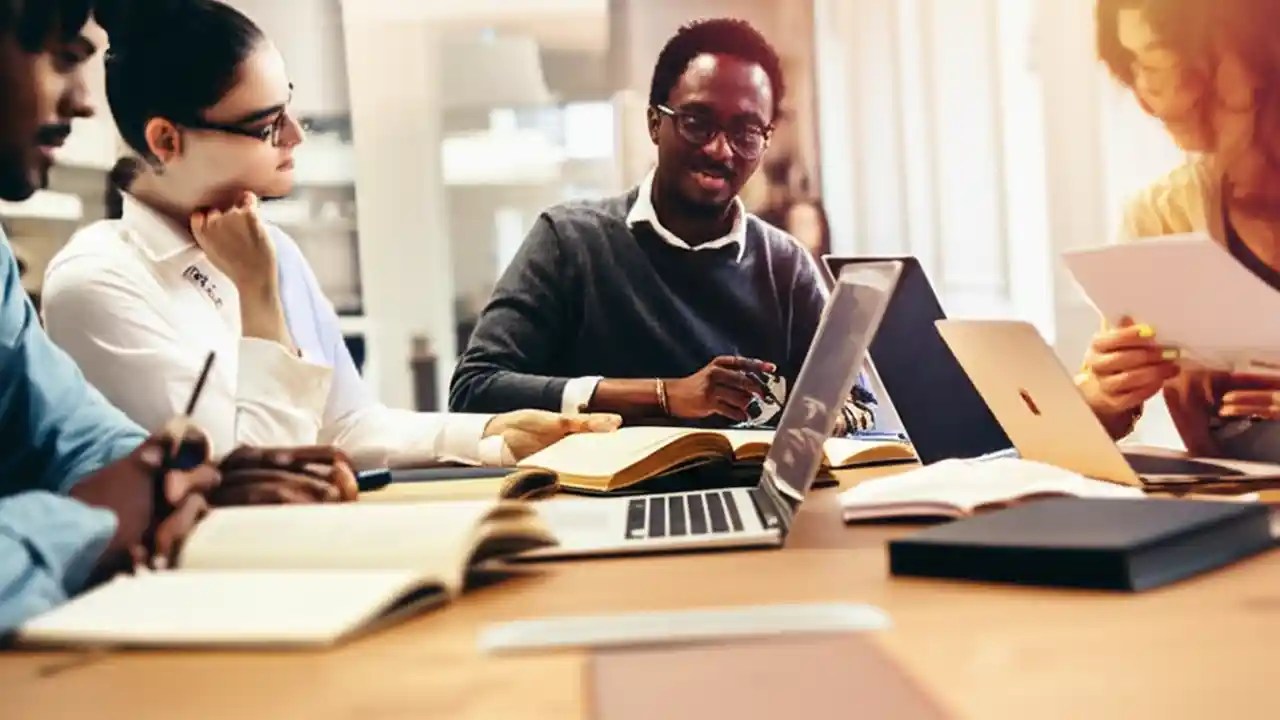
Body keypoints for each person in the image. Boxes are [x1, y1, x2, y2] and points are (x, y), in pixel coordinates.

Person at [40, 0, 619, 470]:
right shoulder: (98, 282)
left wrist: (495, 434)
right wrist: (258, 297)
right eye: (267, 125)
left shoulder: (274, 252)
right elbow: (253, 477)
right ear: (166, 141)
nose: (295, 135)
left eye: (289, 109)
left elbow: (346, 424)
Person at [0, 0, 356, 634]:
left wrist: (189, 476)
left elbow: (73, 432)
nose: (85, 104)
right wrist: (94, 521)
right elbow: (106, 499)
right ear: (167, 139)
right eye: (62, 61)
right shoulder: (96, 275)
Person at [449, 19, 877, 433]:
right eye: (697, 123)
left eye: (746, 132)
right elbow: (474, 388)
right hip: (597, 501)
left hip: (748, 498)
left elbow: (858, 404)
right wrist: (665, 395)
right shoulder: (569, 241)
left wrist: (821, 420)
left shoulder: (785, 265)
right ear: (655, 122)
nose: (720, 150)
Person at [1082, 0, 1280, 459]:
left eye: (1163, 59)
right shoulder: (1161, 215)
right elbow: (1101, 408)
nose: (1149, 91)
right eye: (1136, 64)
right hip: (1240, 512)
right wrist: (1105, 390)